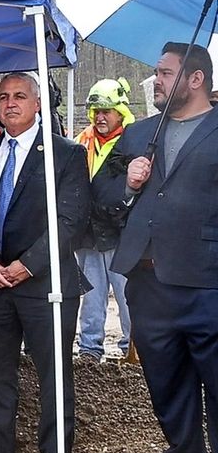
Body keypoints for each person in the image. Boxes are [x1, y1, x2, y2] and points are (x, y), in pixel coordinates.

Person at [93, 42, 218, 453]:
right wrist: (128, 183)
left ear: (196, 79)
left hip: (208, 283)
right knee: (166, 381)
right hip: (148, 281)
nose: (157, 82)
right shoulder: (138, 134)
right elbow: (100, 196)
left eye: (165, 73)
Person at [0, 73, 89, 453]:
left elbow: (71, 220)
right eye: (3, 97)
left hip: (45, 285)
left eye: (20, 96)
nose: (10, 104)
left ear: (38, 103)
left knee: (53, 373)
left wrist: (28, 265)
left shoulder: (65, 154)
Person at [73, 79, 135, 362]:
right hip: (89, 232)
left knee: (127, 294)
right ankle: (89, 348)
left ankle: (132, 348)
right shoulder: (82, 141)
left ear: (120, 111)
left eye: (106, 111)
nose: (100, 117)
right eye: (96, 111)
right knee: (93, 295)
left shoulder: (135, 141)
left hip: (122, 232)